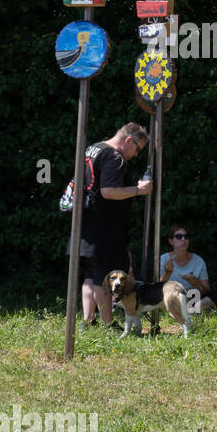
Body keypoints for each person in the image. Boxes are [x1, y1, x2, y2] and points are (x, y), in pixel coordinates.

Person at [77, 123, 151, 327]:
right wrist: (138, 190)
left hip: (88, 222)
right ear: (129, 140)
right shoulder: (114, 157)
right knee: (104, 276)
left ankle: (87, 320)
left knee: (92, 274)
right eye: (137, 148)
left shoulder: (94, 148)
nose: (135, 155)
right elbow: (108, 191)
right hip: (106, 227)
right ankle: (108, 324)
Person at [158, 224, 215, 313]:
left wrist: (197, 284)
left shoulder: (199, 261)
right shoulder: (163, 259)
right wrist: (167, 273)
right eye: (179, 237)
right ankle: (190, 310)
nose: (183, 239)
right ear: (171, 241)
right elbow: (158, 288)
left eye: (186, 237)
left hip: (192, 296)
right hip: (172, 296)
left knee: (215, 295)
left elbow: (206, 290)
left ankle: (185, 311)